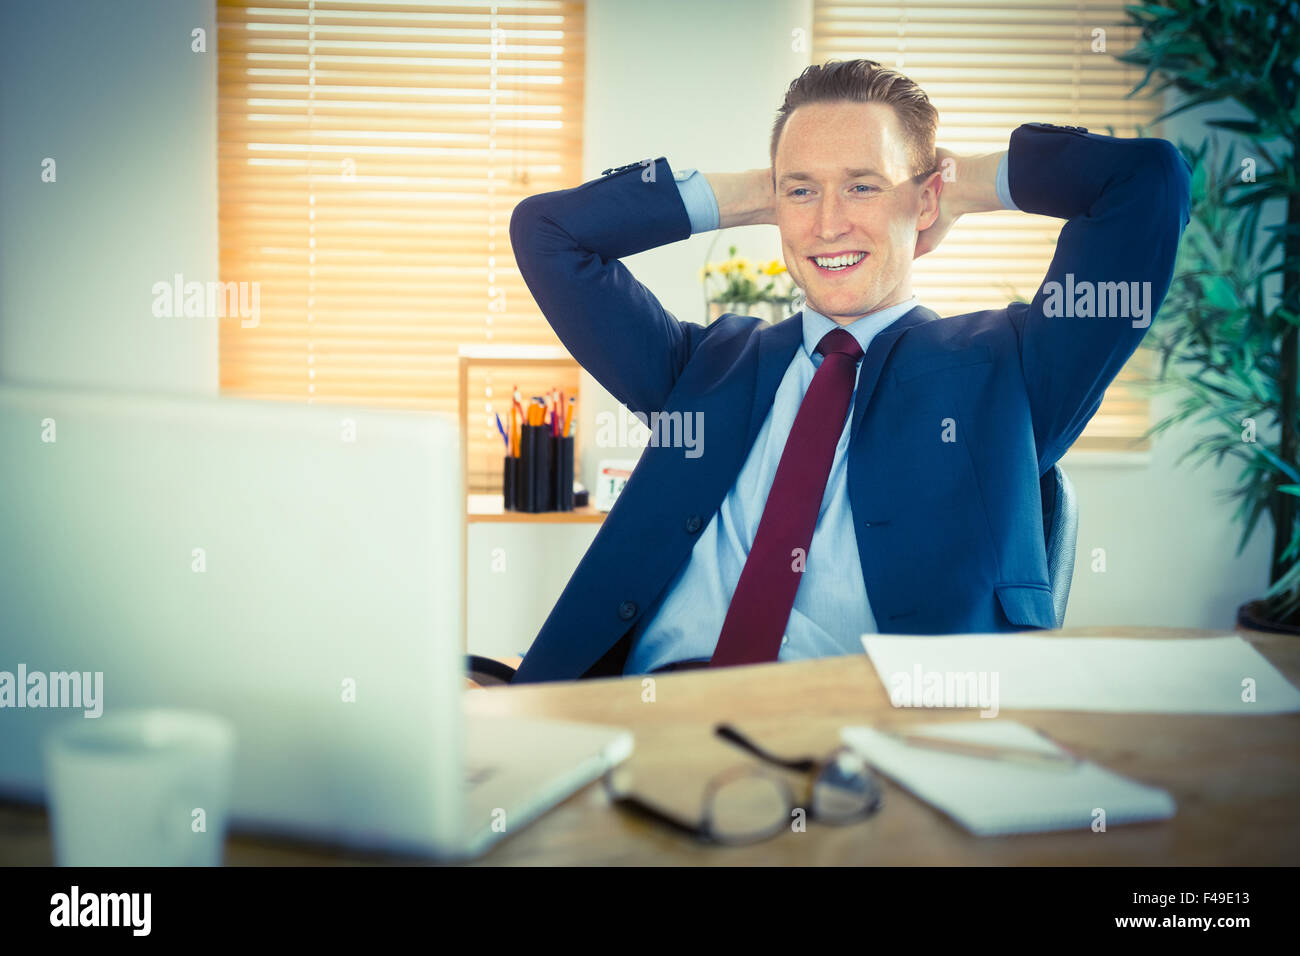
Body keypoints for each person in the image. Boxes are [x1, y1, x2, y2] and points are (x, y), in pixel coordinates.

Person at [504, 58, 1190, 683]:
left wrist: (960, 185)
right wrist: (759, 192)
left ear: (922, 202)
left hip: (859, 746)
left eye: (863, 187)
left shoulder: (1008, 370)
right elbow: (547, 233)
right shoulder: (705, 366)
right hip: (641, 717)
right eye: (803, 193)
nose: (828, 224)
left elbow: (1146, 182)